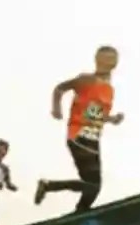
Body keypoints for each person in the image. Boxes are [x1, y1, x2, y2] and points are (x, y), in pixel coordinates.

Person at [35, 46, 124, 212]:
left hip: (93, 138)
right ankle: (50, 186)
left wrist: (112, 119)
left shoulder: (109, 90)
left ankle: (79, 211)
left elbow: (95, 114)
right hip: (78, 135)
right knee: (93, 185)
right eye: (105, 60)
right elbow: (60, 88)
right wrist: (56, 108)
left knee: (93, 187)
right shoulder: (87, 79)